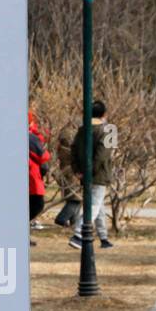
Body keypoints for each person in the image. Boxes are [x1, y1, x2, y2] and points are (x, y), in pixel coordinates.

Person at [69, 99, 113, 250]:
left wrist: (78, 170)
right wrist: (89, 171)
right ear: (104, 114)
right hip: (99, 174)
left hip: (84, 173)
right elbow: (103, 155)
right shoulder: (109, 130)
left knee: (98, 205)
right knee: (94, 205)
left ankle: (104, 237)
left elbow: (73, 150)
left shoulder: (82, 129)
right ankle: (78, 234)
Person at [28, 112, 51, 246]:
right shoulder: (31, 138)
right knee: (36, 205)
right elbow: (43, 157)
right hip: (32, 177)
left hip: (28, 177)